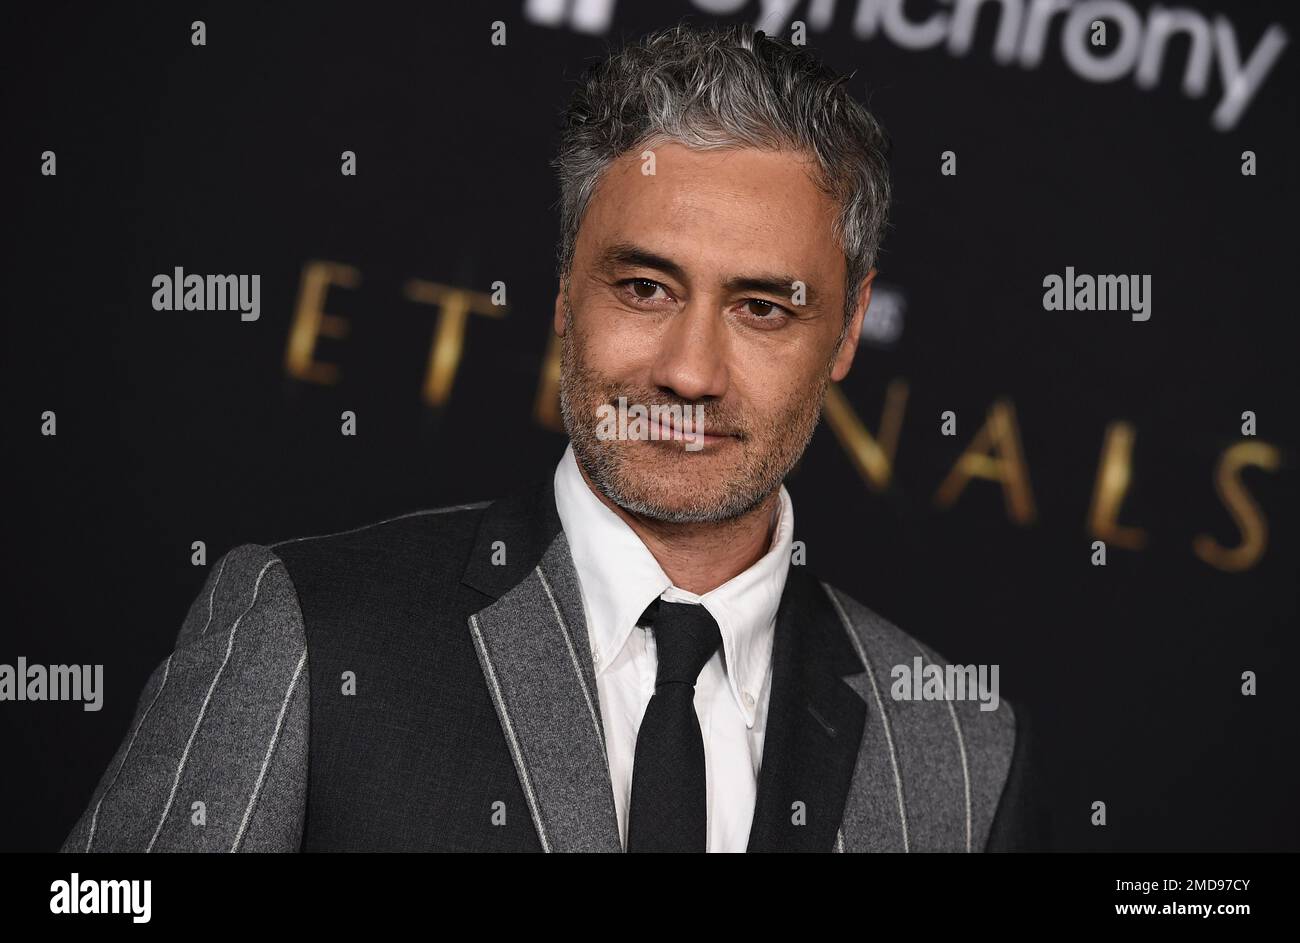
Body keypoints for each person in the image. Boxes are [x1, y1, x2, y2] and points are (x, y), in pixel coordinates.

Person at [62, 22, 1048, 853]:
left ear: (844, 328)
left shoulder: (955, 746)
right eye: (644, 288)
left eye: (760, 307)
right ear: (564, 289)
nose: (690, 371)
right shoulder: (306, 630)